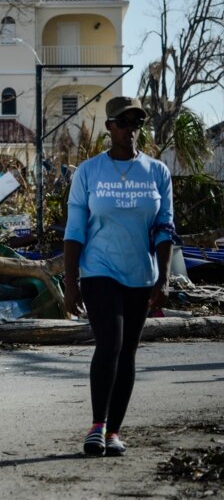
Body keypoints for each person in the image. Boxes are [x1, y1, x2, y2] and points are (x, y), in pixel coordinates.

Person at [63, 95, 174, 457]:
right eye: (124, 123)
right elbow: (75, 229)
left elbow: (164, 227)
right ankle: (97, 426)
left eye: (137, 123)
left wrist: (164, 277)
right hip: (99, 269)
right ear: (109, 127)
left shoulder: (157, 172)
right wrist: (70, 281)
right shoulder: (89, 172)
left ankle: (114, 432)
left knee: (127, 352)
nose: (131, 129)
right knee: (109, 342)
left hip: (141, 273)